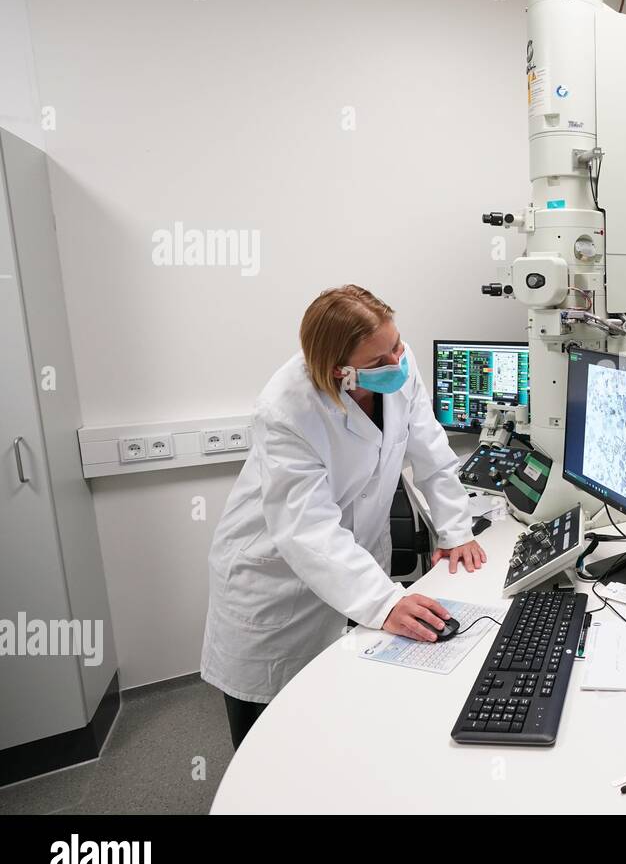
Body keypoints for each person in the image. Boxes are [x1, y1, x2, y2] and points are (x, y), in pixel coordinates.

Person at [201, 284, 484, 748]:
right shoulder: (287, 409)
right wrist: (384, 603)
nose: (397, 363)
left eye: (397, 345)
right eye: (378, 362)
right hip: (274, 576)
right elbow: (306, 530)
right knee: (271, 737)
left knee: (336, 716)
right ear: (340, 370)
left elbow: (430, 449)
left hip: (351, 561)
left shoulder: (396, 363)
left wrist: (455, 530)